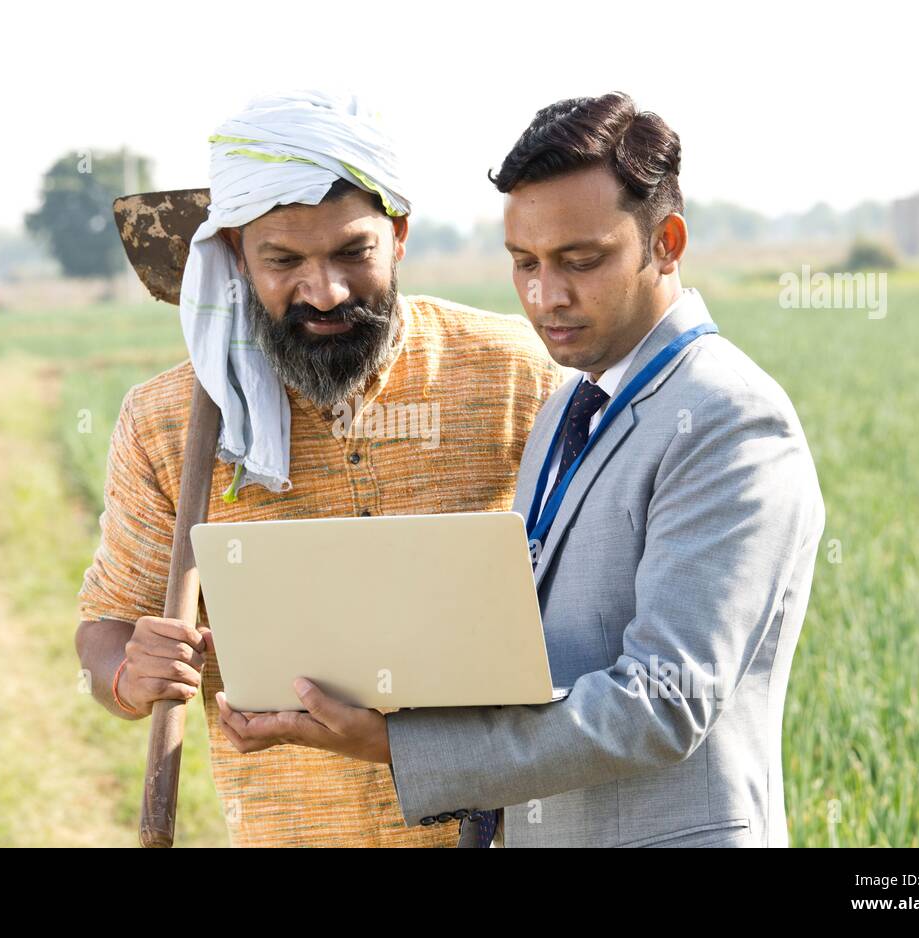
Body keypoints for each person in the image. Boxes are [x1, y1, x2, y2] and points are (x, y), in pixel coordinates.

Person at [217, 92, 826, 848]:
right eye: (525, 263)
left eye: (582, 261)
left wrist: (396, 747)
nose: (547, 296)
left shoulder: (727, 417)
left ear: (666, 241)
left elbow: (666, 702)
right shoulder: (571, 400)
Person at [74, 90, 565, 847]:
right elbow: (105, 625)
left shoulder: (514, 375)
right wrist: (128, 673)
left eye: (351, 253)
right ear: (237, 255)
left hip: (510, 827)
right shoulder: (168, 424)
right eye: (284, 261)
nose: (325, 291)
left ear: (398, 236)